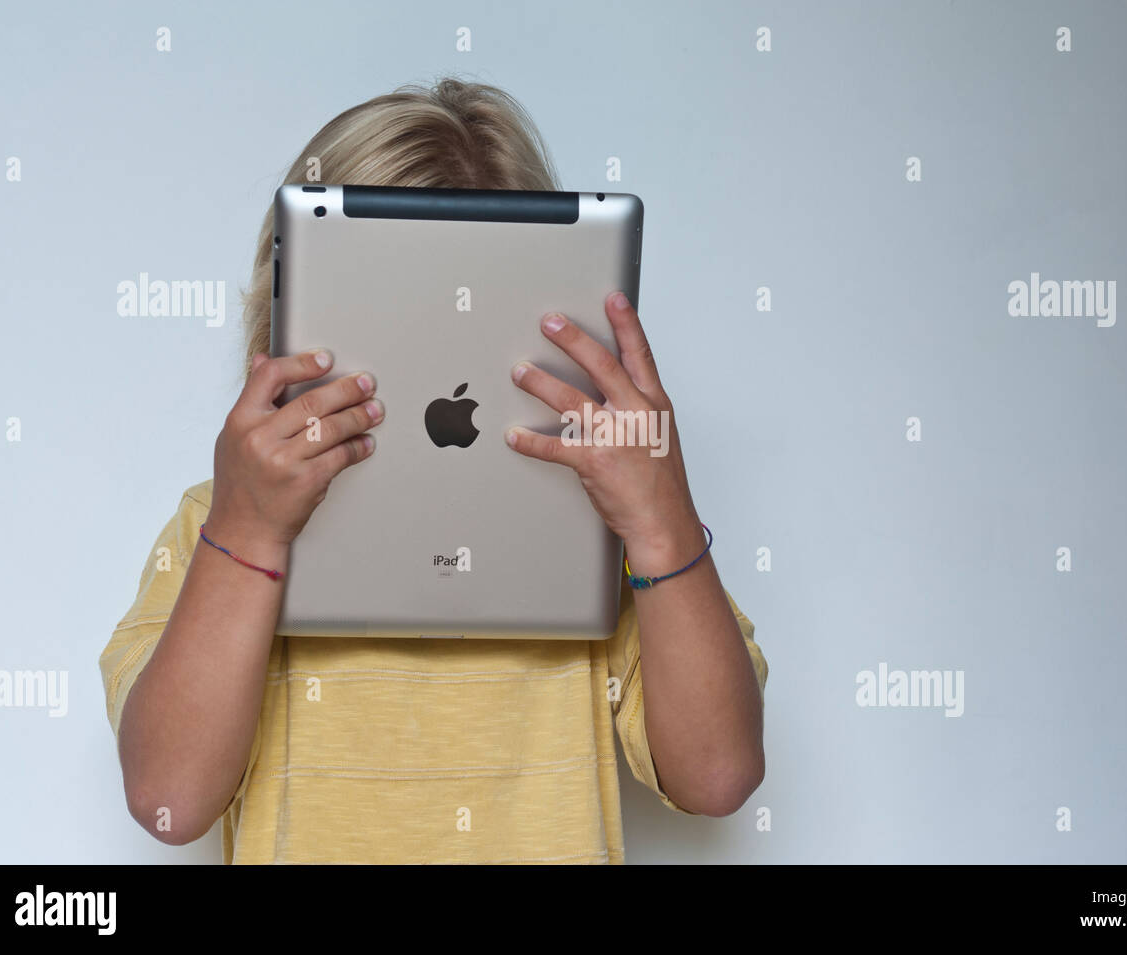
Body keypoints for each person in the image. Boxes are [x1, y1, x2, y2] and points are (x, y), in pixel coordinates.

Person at [99, 76, 768, 864]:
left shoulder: (608, 531)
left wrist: (662, 523)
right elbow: (168, 800)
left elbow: (718, 775)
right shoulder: (218, 523)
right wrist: (246, 536)